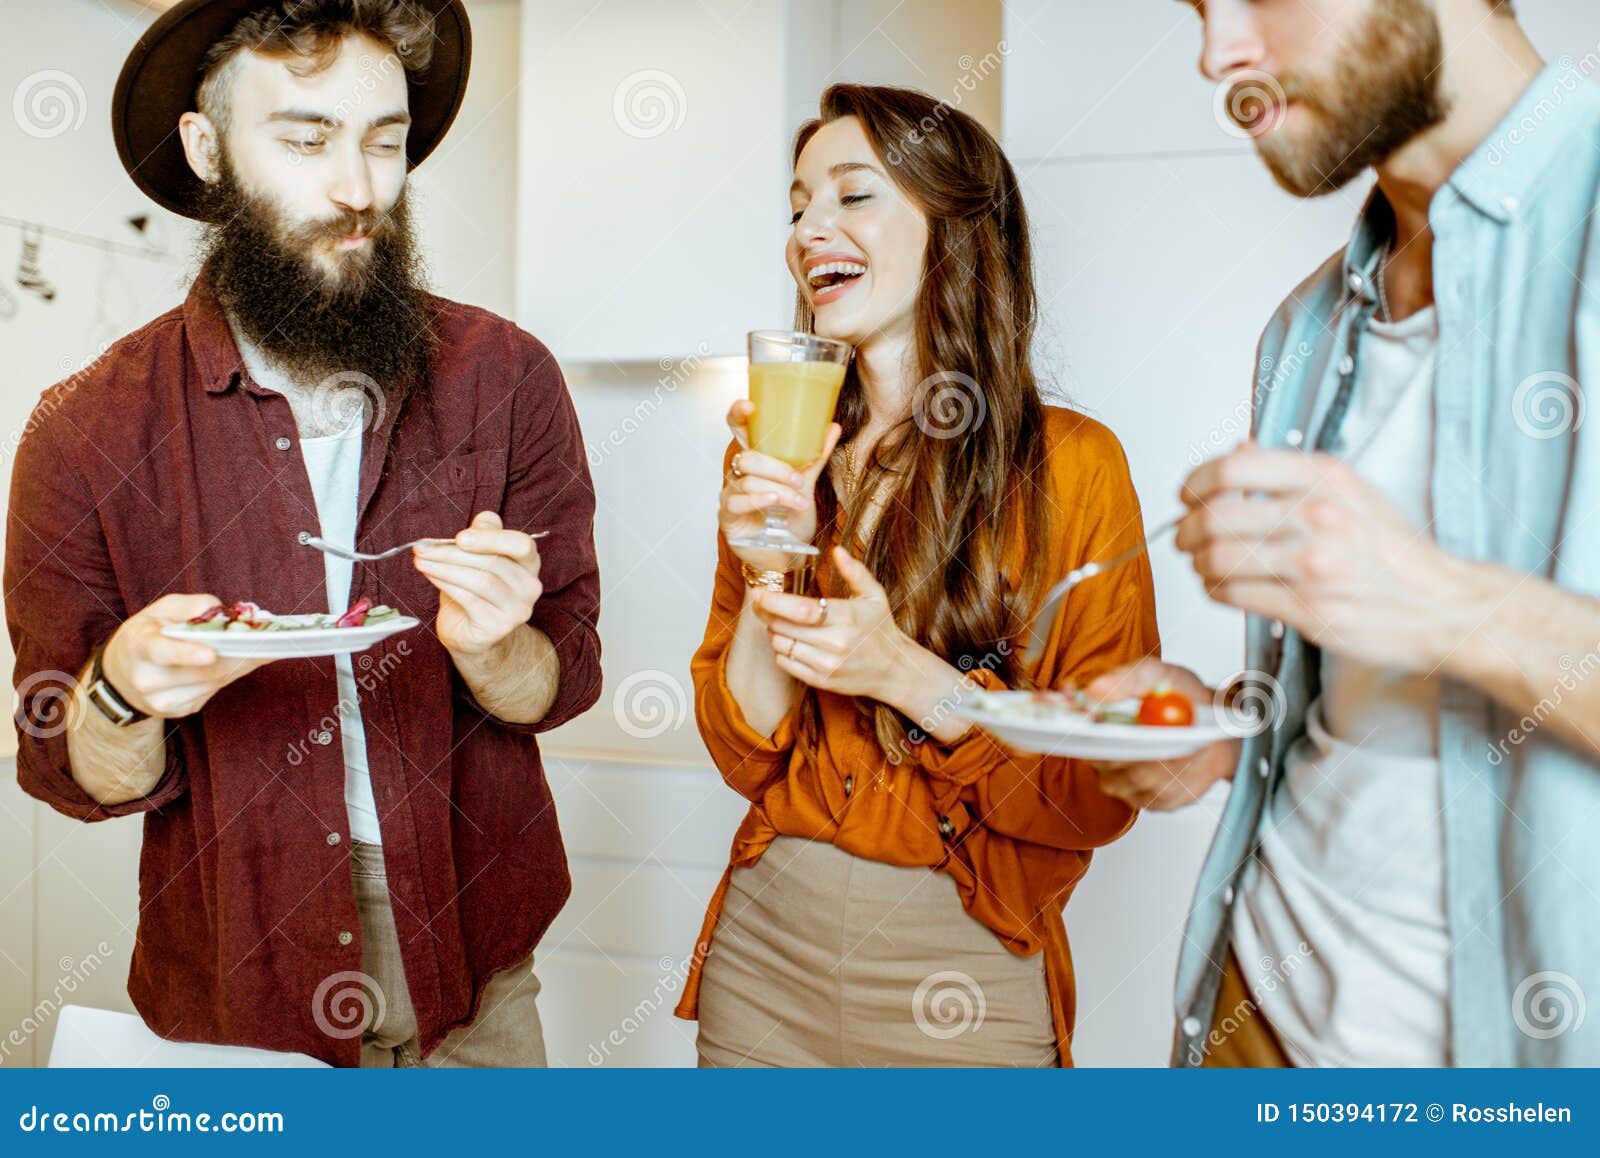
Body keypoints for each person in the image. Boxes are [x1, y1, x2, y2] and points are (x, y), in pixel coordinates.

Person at [6, 0, 601, 1067]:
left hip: (479, 979)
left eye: (385, 141)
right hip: (239, 988)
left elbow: (561, 681)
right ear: (207, 147)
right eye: (306, 138)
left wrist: (498, 647)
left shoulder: (506, 378)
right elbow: (71, 769)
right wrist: (121, 688)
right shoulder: (83, 427)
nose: (358, 188)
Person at [1085, 0, 1600, 1065]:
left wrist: (1448, 606)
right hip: (1250, 1016)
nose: (1216, 53)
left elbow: (1433, 616)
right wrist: (1225, 734)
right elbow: (1374, 717)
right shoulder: (1309, 324)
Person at [674, 84, 1161, 1067]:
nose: (809, 228)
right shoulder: (773, 452)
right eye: (797, 204)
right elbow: (745, 758)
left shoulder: (1075, 467)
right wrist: (770, 571)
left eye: (852, 196)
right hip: (764, 957)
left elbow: (1100, 790)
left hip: (964, 968)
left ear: (955, 226)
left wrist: (905, 676)